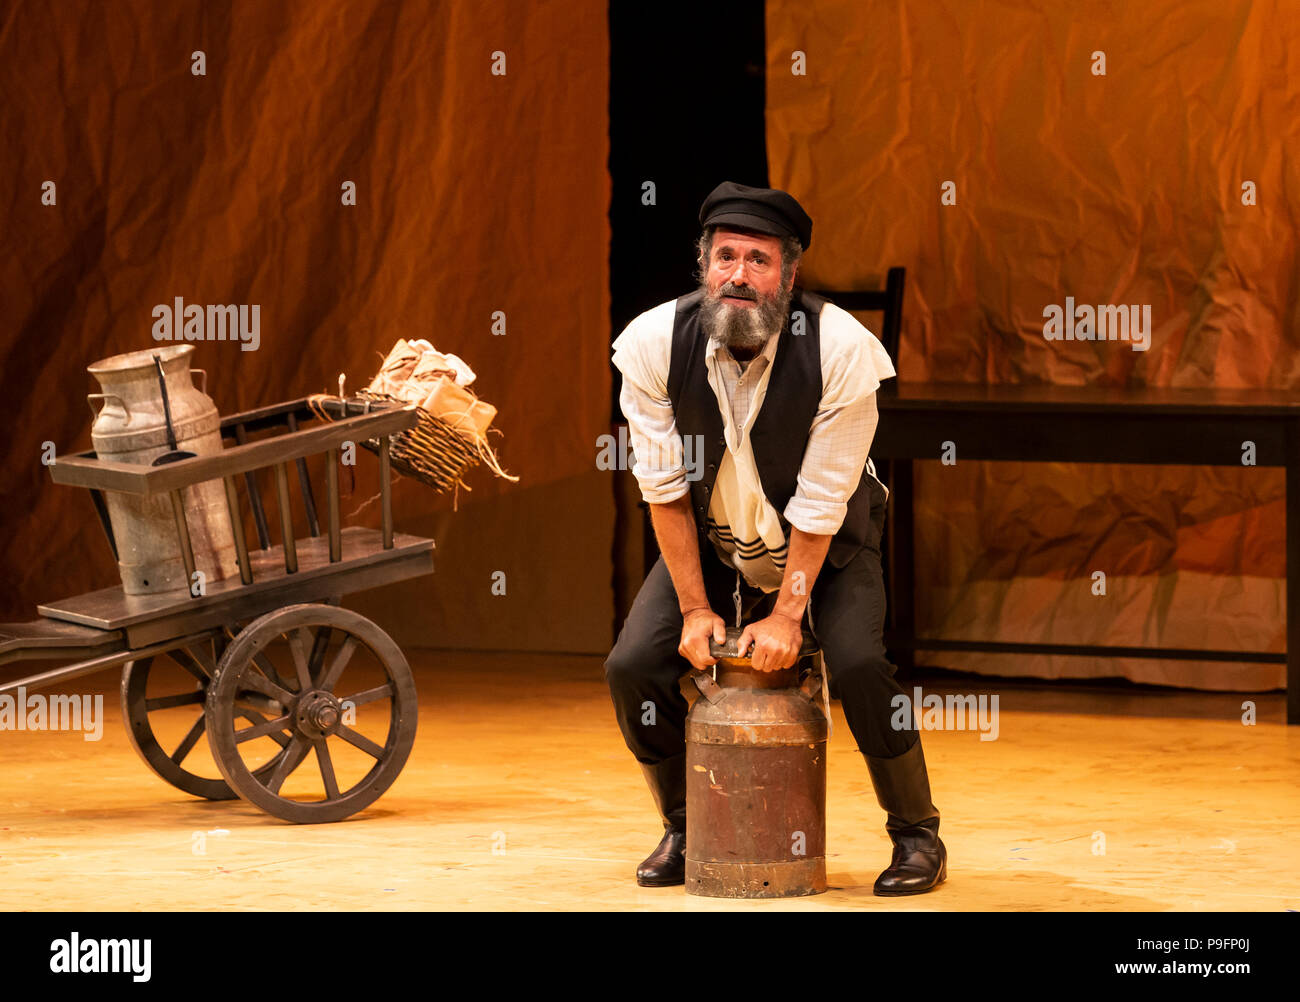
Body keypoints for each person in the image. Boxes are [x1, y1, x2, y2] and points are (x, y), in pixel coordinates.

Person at [604, 181, 946, 895]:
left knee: (855, 662)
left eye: (758, 260)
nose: (738, 274)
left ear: (788, 275)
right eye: (724, 256)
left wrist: (789, 613)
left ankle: (917, 834)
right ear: (703, 268)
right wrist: (697, 608)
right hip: (717, 546)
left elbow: (823, 500)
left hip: (824, 551)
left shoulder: (843, 350)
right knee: (633, 661)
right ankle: (686, 826)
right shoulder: (650, 344)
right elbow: (663, 488)